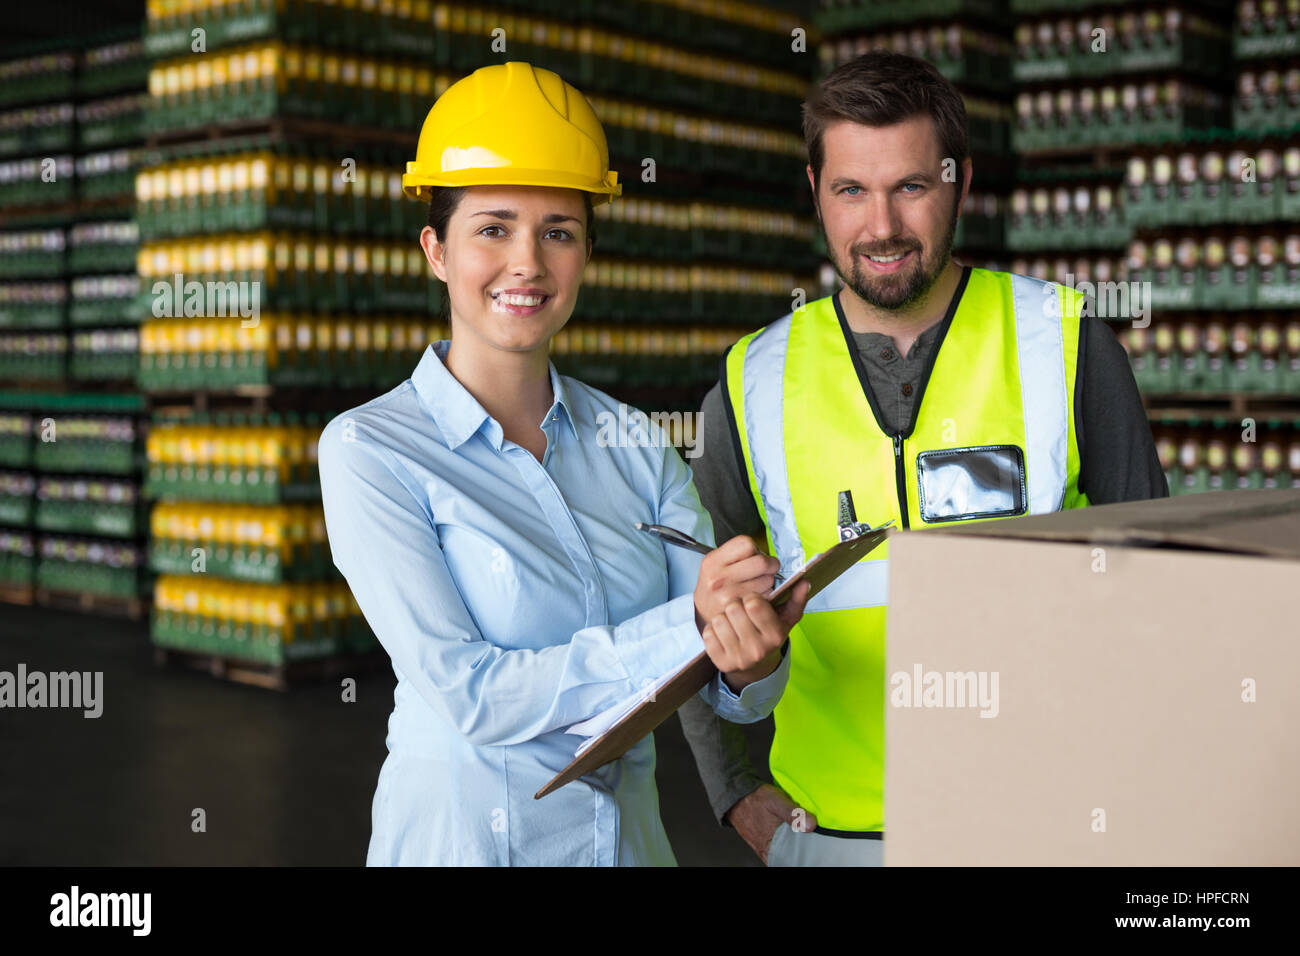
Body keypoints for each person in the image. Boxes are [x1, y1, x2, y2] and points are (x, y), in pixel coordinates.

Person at [677, 50, 1170, 866]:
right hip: (827, 836)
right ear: (816, 195)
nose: (882, 228)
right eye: (851, 191)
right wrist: (732, 792)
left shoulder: (1067, 345)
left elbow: (1158, 595)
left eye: (911, 186)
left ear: (960, 184)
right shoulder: (751, 383)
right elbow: (695, 617)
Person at [317, 62, 810, 866]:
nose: (528, 264)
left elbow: (728, 679)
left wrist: (749, 652)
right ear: (435, 250)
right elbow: (470, 694)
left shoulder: (634, 443)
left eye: (559, 232)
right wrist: (687, 625)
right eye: (493, 228)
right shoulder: (371, 451)